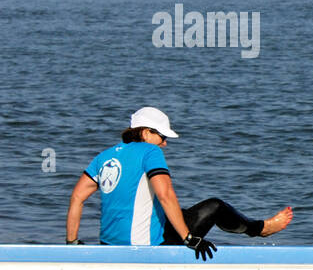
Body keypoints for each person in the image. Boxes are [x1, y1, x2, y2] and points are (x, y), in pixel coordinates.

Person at [65, 107, 292, 258]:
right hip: (146, 249)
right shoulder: (149, 152)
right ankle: (260, 229)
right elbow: (165, 195)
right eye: (162, 137)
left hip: (109, 248)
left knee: (175, 212)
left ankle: (74, 244)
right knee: (215, 206)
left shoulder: (104, 156)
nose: (164, 143)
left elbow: (77, 197)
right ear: (145, 133)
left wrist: (73, 243)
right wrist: (189, 239)